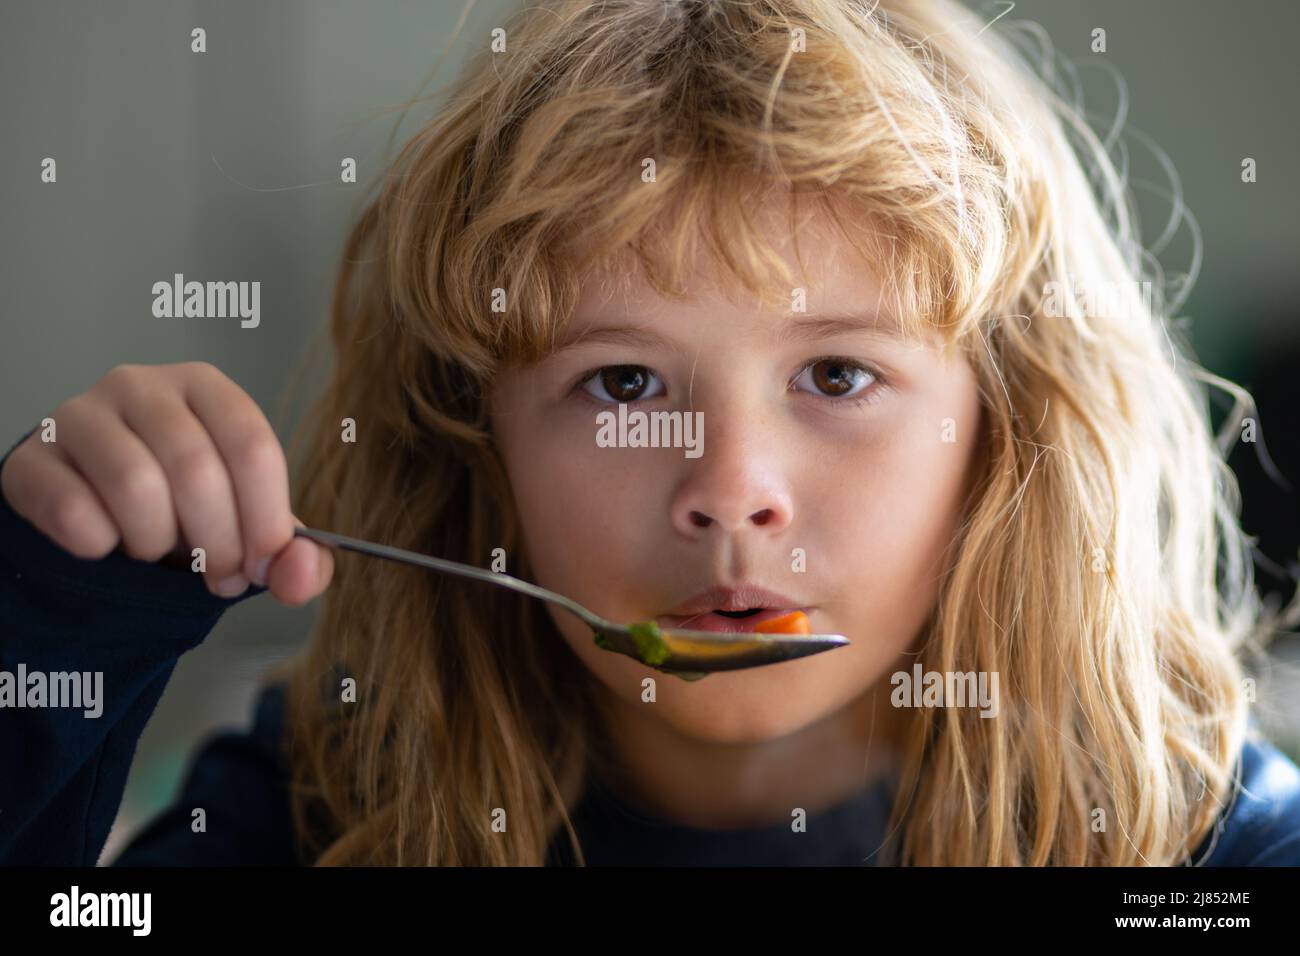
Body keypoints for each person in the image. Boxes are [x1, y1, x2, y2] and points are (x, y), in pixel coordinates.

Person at [2, 0, 1299, 866]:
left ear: (1005, 436)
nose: (730, 493)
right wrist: (53, 624)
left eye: (839, 374)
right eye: (623, 386)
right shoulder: (323, 812)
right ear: (477, 450)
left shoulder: (1198, 845)